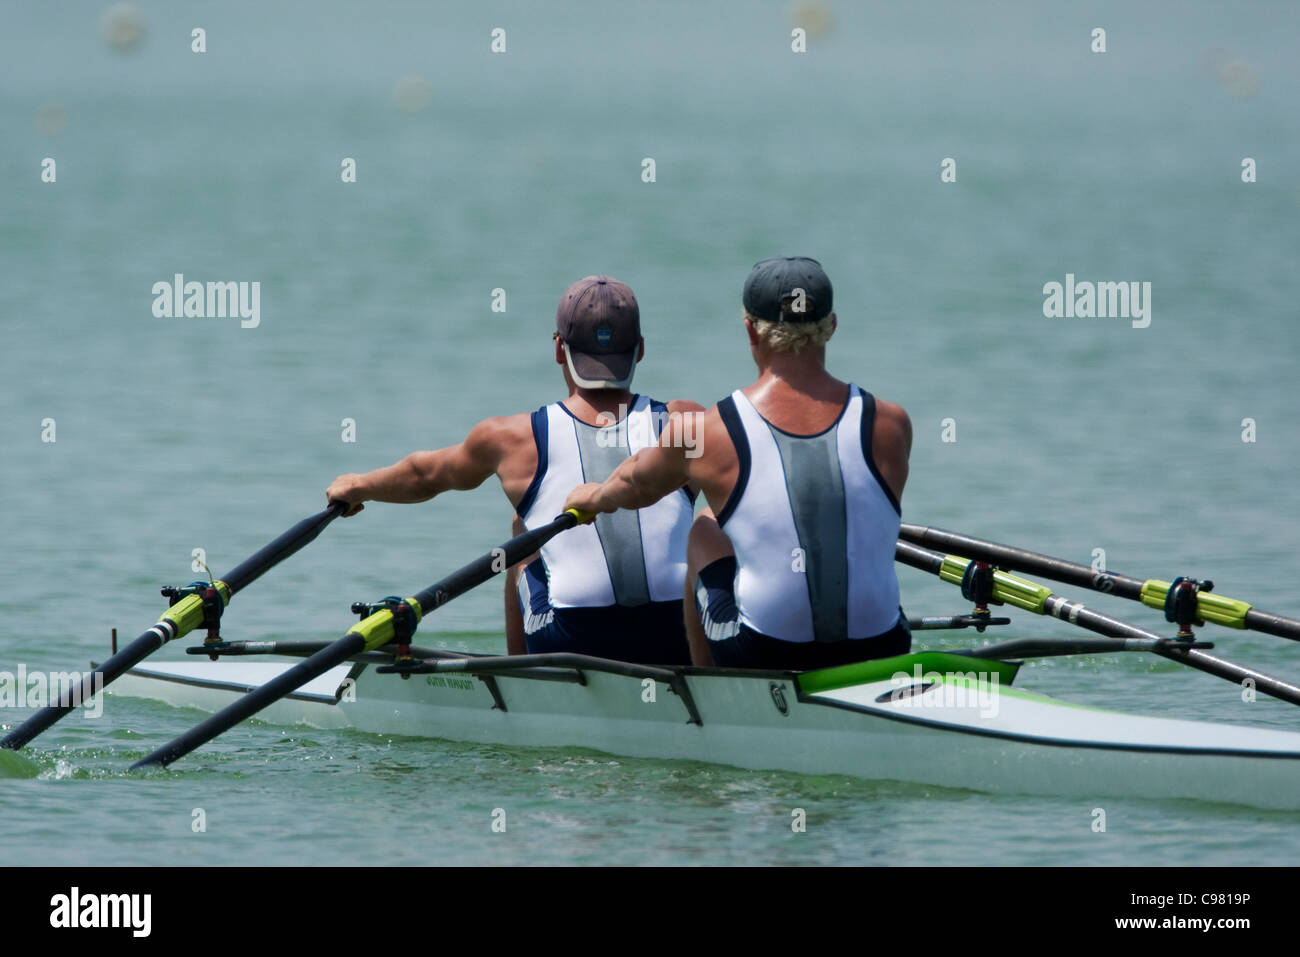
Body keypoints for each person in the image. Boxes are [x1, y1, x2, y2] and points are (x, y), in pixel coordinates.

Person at [326, 276, 702, 665]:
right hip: (677, 633)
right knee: (710, 526)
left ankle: (521, 682)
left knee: (522, 534)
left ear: (559, 348)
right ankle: (721, 671)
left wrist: (358, 486)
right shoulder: (688, 421)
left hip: (576, 641)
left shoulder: (513, 438)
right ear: (639, 350)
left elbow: (425, 474)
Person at [564, 257, 912, 670]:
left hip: (766, 651)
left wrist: (595, 496)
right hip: (886, 646)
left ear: (750, 329)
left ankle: (706, 695)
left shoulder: (704, 431)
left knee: (705, 527)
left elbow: (637, 486)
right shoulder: (891, 423)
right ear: (831, 325)